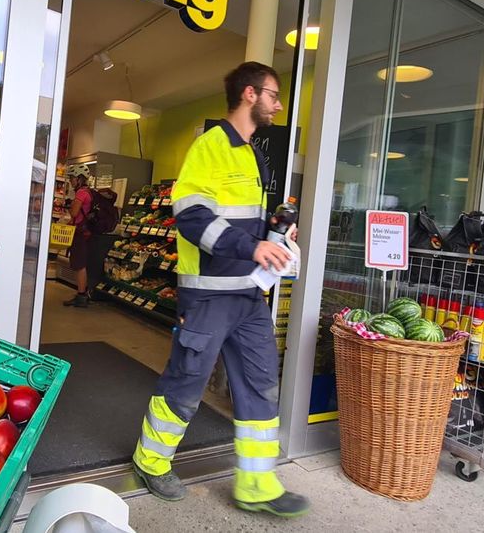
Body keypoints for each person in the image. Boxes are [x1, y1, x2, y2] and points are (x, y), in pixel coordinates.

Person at [131, 62, 308, 517]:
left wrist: (274, 235)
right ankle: (150, 460)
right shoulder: (210, 147)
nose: (277, 103)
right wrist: (251, 248)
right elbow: (191, 217)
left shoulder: (253, 153)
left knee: (260, 383)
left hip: (248, 295)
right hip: (208, 295)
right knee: (186, 381)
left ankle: (256, 483)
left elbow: (241, 219)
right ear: (249, 94)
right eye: (272, 94)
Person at [63, 163, 94, 308]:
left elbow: (74, 213)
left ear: (80, 178)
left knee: (80, 264)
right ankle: (82, 293)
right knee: (80, 263)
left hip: (80, 234)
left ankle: (81, 296)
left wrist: (71, 204)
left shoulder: (81, 193)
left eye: (72, 178)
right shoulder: (88, 191)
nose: (71, 180)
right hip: (83, 231)